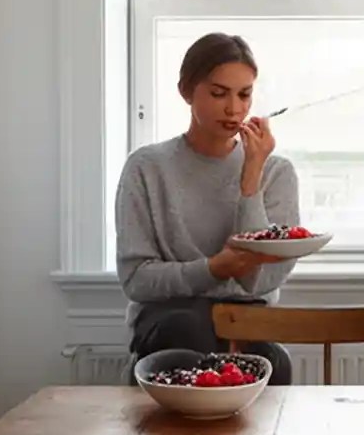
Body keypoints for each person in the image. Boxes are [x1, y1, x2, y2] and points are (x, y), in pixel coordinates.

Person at [115, 32, 299, 384]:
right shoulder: (146, 168)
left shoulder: (275, 172)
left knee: (271, 360)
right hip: (170, 320)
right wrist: (214, 269)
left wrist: (251, 180)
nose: (234, 109)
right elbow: (136, 280)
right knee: (188, 331)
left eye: (244, 95)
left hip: (248, 319)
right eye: (218, 93)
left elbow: (260, 281)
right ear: (186, 91)